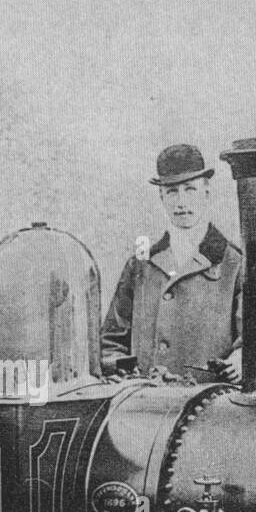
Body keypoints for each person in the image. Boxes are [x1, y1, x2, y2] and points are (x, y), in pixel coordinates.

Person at [101, 143, 243, 384]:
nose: (181, 202)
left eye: (190, 189)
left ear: (206, 192)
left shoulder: (234, 264)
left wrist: (241, 359)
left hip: (207, 409)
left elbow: (254, 341)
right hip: (146, 408)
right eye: (172, 191)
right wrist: (122, 374)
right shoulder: (140, 265)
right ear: (161, 197)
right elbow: (111, 341)